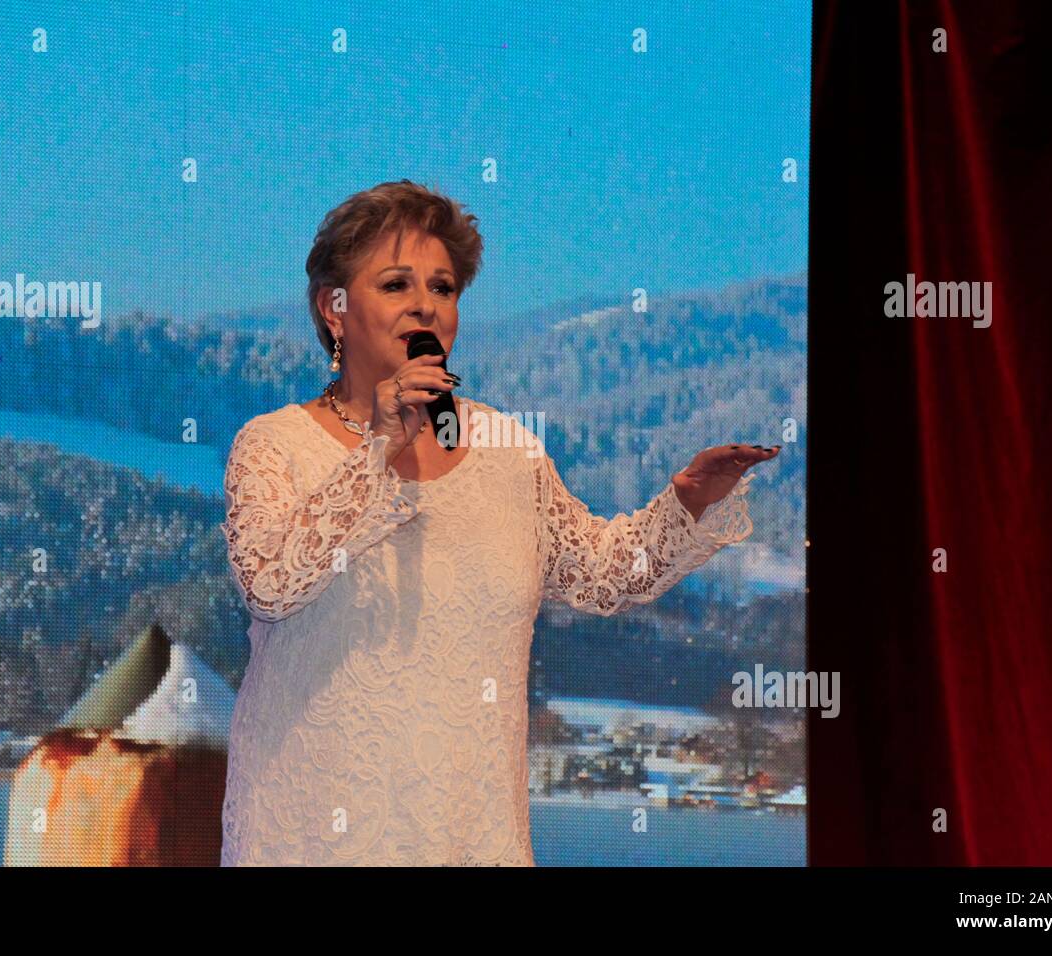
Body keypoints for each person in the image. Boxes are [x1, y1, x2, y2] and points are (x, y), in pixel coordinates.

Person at [219, 179, 779, 865]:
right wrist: (379, 449)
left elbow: (603, 575)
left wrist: (689, 498)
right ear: (332, 309)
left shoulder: (509, 453)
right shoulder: (274, 446)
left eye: (444, 287)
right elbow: (269, 584)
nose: (426, 303)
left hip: (472, 832)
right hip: (315, 836)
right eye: (396, 284)